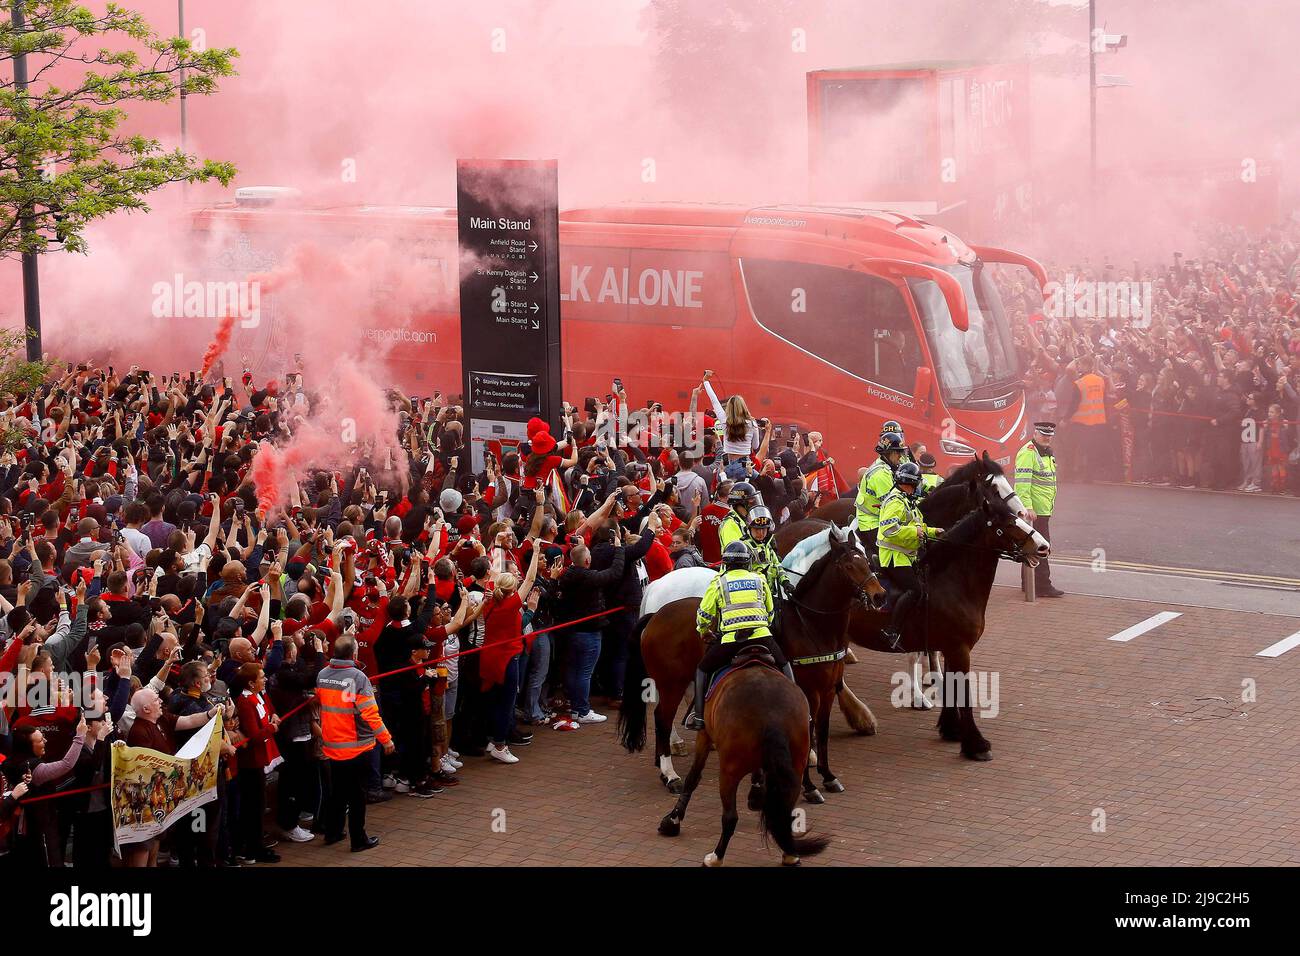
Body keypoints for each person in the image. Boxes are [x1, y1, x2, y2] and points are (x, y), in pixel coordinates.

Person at [683, 541, 793, 731]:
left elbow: (704, 613)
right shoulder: (759, 579)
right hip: (762, 636)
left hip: (731, 640)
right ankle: (798, 708)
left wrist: (703, 631)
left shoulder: (719, 582)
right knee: (784, 663)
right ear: (748, 562)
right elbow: (770, 610)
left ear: (725, 563)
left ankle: (699, 716)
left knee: (702, 669)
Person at [316, 635, 394, 853]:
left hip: (332, 745)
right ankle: (358, 839)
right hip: (356, 747)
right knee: (357, 796)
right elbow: (371, 714)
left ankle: (333, 832)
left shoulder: (322, 675)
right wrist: (386, 739)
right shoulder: (358, 678)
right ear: (353, 653)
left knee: (337, 792)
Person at [877, 463, 943, 650]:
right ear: (910, 483)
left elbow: (918, 528)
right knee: (915, 590)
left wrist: (933, 531)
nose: (921, 486)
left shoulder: (908, 501)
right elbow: (889, 529)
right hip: (892, 557)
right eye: (918, 482)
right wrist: (915, 533)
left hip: (906, 555)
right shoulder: (895, 502)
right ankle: (892, 631)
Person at [1014, 422, 1063, 597]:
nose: (1047, 438)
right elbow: (1022, 482)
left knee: (1032, 546)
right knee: (1042, 547)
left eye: (1049, 435)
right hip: (1035, 511)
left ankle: (1028, 583)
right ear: (1035, 433)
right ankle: (1043, 585)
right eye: (1043, 434)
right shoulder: (1028, 452)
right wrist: (1027, 507)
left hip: (1043, 509)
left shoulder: (1046, 452)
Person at [855, 431, 906, 552]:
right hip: (872, 523)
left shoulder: (887, 466)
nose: (901, 456)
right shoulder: (881, 474)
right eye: (899, 452)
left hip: (878, 518)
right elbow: (892, 504)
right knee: (897, 550)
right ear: (890, 453)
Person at [744, 506, 788, 604]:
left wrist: (785, 582)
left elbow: (777, 566)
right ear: (749, 528)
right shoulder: (743, 548)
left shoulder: (768, 546)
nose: (760, 533)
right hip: (752, 599)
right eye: (756, 529)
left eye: (764, 529)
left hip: (770, 596)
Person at [717, 480, 758, 551]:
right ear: (741, 503)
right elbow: (735, 553)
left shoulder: (746, 520)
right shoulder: (729, 525)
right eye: (751, 502)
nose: (754, 505)